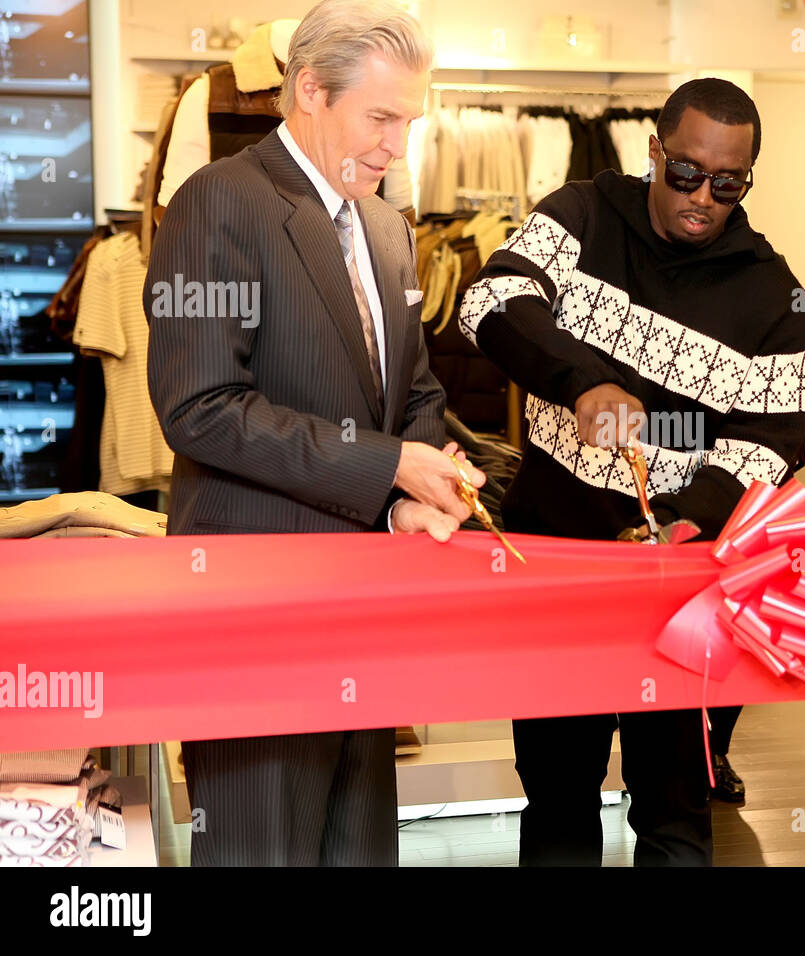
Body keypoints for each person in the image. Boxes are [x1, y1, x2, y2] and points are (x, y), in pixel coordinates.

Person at [146, 0, 483, 866]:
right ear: (308, 91)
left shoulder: (387, 229)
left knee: (359, 847)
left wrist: (416, 482)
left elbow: (412, 387)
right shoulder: (217, 201)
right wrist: (387, 468)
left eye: (409, 122)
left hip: (367, 605)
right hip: (256, 604)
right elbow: (199, 406)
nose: (396, 146)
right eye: (380, 118)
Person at [460, 78, 805, 865]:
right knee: (556, 794)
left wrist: (685, 519)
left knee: (676, 807)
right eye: (686, 173)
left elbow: (773, 440)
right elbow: (489, 299)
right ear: (653, 151)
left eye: (729, 184)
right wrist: (579, 380)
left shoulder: (772, 292)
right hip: (559, 557)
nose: (703, 198)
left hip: (685, 580)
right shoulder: (582, 213)